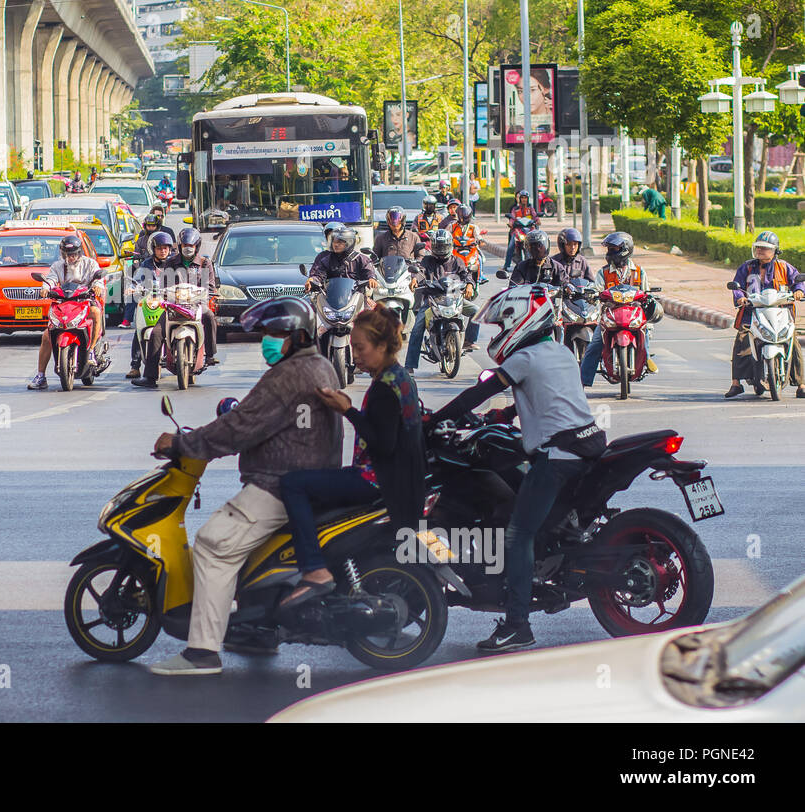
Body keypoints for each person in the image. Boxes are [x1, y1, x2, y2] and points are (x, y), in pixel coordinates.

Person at [148, 297, 344, 675]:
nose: (267, 341)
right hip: (303, 479)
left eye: (274, 334)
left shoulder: (288, 377)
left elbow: (240, 427)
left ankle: (202, 652)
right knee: (246, 552)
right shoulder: (319, 366)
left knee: (213, 545)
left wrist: (182, 444)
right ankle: (255, 631)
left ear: (296, 336)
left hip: (278, 486)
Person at [431, 284, 605, 652]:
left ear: (520, 321)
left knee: (517, 534)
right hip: (588, 444)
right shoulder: (558, 352)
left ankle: (517, 625)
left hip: (560, 456)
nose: (498, 334)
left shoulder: (523, 359)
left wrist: (434, 420)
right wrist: (507, 413)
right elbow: (553, 397)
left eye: (501, 326)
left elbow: (477, 393)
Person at [276, 304, 426, 608]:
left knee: (292, 484)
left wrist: (347, 410)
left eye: (360, 348)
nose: (355, 355)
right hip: (399, 478)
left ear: (382, 347)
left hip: (377, 480)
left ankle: (313, 568)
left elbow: (382, 443)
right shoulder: (399, 377)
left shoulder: (386, 387)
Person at [133, 227, 218, 386]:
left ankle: (211, 354)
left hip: (196, 305)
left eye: (191, 245)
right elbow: (164, 286)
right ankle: (150, 377)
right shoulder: (171, 263)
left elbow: (210, 287)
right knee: (156, 332)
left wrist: (208, 294)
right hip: (174, 307)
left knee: (210, 316)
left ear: (196, 246)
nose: (187, 248)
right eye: (185, 244)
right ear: (179, 246)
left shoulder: (205, 263)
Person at [725, 230, 805, 399]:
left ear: (774, 250)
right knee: (742, 338)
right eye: (758, 247)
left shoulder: (784, 267)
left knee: (793, 340)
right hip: (752, 313)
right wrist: (740, 299)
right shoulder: (746, 267)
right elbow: (738, 287)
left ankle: (801, 385)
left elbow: (799, 281)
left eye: (765, 248)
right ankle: (736, 383)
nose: (760, 251)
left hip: (780, 312)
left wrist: (798, 291)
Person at [580, 231, 659, 386]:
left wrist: (650, 297)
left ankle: (647, 358)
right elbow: (596, 289)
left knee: (646, 331)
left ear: (625, 249)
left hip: (634, 313)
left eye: (613, 249)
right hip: (610, 314)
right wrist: (592, 295)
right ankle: (582, 381)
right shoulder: (604, 272)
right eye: (609, 249)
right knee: (595, 344)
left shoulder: (639, 272)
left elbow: (646, 291)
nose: (610, 253)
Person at [28, 235, 105, 390]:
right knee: (46, 336)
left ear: (79, 252)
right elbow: (50, 279)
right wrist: (45, 288)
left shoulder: (90, 264)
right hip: (64, 303)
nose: (71, 257)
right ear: (62, 254)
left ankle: (91, 350)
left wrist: (97, 285)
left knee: (96, 312)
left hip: (85, 301)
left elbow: (98, 278)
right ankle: (41, 376)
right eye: (67, 254)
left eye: (74, 254)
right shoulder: (57, 266)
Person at [406, 229, 479, 372]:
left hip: (455, 299)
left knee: (477, 311)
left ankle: (469, 341)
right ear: (433, 246)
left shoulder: (457, 261)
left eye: (443, 246)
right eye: (438, 246)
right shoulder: (427, 260)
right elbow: (420, 271)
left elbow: (466, 274)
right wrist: (415, 279)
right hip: (432, 300)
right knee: (416, 329)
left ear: (450, 245)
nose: (441, 249)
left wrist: (470, 285)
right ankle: (409, 365)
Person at [306, 224, 376, 352]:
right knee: (313, 327)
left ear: (349, 243)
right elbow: (318, 274)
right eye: (334, 241)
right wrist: (312, 280)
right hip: (331, 300)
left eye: (340, 242)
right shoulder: (325, 259)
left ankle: (373, 361)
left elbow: (369, 272)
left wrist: (371, 279)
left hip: (355, 299)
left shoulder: (361, 259)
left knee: (375, 324)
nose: (335, 244)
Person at [127, 229, 174, 378]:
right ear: (153, 250)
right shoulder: (147, 264)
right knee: (139, 328)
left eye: (165, 248)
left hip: (169, 301)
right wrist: (133, 288)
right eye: (159, 248)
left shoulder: (174, 262)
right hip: (150, 300)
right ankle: (135, 365)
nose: (162, 251)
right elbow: (138, 278)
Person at [122, 213, 165, 329]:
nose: (151, 228)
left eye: (153, 226)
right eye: (149, 226)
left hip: (161, 272)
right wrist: (137, 261)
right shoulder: (140, 240)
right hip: (145, 271)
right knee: (133, 291)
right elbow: (135, 257)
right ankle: (127, 319)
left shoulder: (162, 238)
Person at [503, 189, 540, 271]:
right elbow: (512, 218)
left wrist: (537, 220)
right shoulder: (515, 209)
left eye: (525, 198)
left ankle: (539, 261)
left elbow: (535, 216)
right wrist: (511, 223)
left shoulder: (530, 208)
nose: (524, 199)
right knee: (511, 246)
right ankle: (506, 265)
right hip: (518, 231)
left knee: (539, 243)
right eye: (522, 198)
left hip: (530, 231)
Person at [450, 204, 486, 283]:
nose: (463, 219)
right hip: (456, 250)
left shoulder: (473, 227)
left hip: (471, 249)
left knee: (479, 258)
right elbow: (447, 235)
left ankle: (480, 277)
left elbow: (478, 236)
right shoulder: (452, 226)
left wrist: (480, 240)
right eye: (462, 216)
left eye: (465, 216)